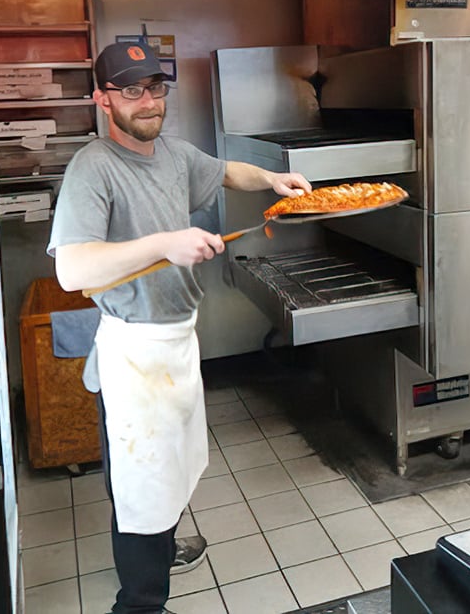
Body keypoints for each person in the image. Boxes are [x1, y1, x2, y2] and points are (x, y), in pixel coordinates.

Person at [47, 41, 311, 614]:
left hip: (176, 343)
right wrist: (167, 243)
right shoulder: (93, 167)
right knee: (141, 485)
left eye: (156, 88)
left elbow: (223, 172)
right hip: (134, 354)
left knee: (169, 469)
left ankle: (163, 549)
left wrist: (271, 179)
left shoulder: (170, 154)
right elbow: (73, 268)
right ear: (102, 99)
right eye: (131, 90)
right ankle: (140, 603)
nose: (148, 102)